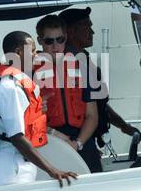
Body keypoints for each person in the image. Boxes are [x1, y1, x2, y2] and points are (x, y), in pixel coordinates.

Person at [0, 31, 78, 187]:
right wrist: (52, 170)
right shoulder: (9, 88)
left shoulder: (17, 82)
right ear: (18, 53)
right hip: (9, 165)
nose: (37, 55)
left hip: (19, 160)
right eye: (33, 50)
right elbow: (17, 137)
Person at [60, 6, 140, 152]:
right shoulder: (68, 66)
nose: (92, 32)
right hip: (77, 141)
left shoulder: (83, 59)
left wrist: (123, 126)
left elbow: (98, 104)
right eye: (86, 27)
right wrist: (81, 144)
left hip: (84, 140)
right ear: (70, 32)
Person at [34, 15, 100, 172]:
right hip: (49, 141)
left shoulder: (81, 67)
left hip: (81, 139)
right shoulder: (30, 72)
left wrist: (77, 144)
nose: (55, 46)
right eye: (49, 41)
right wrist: (58, 138)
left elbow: (92, 115)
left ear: (66, 38)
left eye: (60, 39)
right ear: (40, 41)